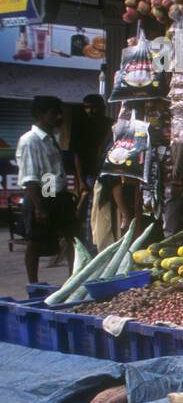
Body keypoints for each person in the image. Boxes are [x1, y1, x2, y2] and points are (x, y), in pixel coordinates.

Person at [17, 96, 75, 283]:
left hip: (54, 190)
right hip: (40, 193)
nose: (58, 117)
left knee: (72, 238)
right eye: (53, 113)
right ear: (41, 115)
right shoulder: (30, 140)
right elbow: (31, 176)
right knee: (34, 242)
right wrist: (39, 207)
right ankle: (33, 284)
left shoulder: (52, 138)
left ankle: (73, 280)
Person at [73, 94, 112, 233]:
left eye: (92, 107)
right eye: (86, 108)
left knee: (105, 211)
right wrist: (80, 181)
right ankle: (91, 244)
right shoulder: (81, 126)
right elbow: (76, 155)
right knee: (91, 212)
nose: (89, 111)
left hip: (109, 174)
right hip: (89, 175)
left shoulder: (111, 125)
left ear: (102, 108)